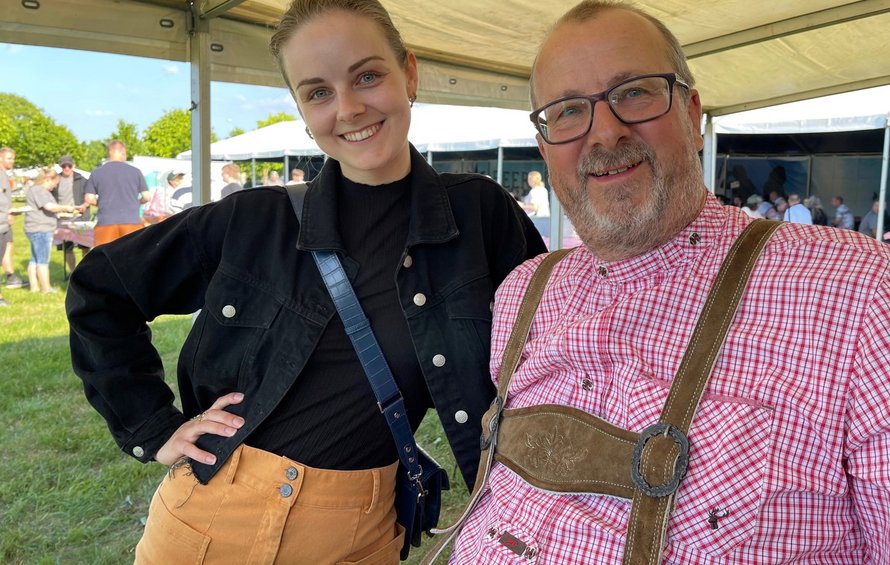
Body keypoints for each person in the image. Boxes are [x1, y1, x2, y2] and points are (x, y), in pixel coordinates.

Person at [66, 1, 546, 563]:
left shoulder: (481, 214)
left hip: (363, 533)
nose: (348, 108)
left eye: (367, 76)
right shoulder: (254, 219)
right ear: (300, 107)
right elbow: (101, 288)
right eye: (317, 92)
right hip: (212, 522)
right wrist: (154, 425)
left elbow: (554, 341)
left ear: (409, 73)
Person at [450, 2, 890, 563]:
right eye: (565, 111)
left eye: (634, 91)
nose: (604, 133)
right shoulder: (522, 293)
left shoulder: (859, 293)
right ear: (544, 147)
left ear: (692, 111)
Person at [83, 139, 150, 246]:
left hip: (106, 221)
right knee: (133, 257)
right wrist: (137, 202)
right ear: (122, 152)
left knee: (105, 258)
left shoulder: (97, 172)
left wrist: (101, 203)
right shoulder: (135, 172)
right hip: (131, 221)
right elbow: (146, 197)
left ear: (109, 152)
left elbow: (89, 198)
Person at [24, 169, 77, 293]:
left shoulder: (42, 191)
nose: (55, 186)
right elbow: (49, 207)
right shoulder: (39, 190)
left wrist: (62, 214)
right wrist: (67, 208)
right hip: (40, 228)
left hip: (38, 227)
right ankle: (46, 288)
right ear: (48, 179)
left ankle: (34, 286)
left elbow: (49, 211)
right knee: (43, 259)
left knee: (35, 258)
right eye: (55, 183)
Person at [53, 155, 91, 272]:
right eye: (64, 166)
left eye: (69, 165)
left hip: (80, 217)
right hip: (63, 218)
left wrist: (85, 205)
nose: (67, 168)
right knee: (67, 248)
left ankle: (85, 271)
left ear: (73, 166)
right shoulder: (56, 180)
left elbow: (89, 195)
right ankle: (72, 272)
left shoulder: (82, 180)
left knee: (85, 246)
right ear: (61, 167)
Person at [1, 147, 25, 293]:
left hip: (5, 219)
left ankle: (10, 275)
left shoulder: (5, 174)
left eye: (13, 158)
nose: (12, 161)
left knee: (8, 245)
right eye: (9, 158)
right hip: (2, 219)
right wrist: (7, 213)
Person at [521, 170, 551, 237]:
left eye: (529, 178)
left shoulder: (534, 191)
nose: (528, 180)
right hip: (544, 219)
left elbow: (534, 207)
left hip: (536, 220)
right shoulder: (543, 189)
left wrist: (521, 205)